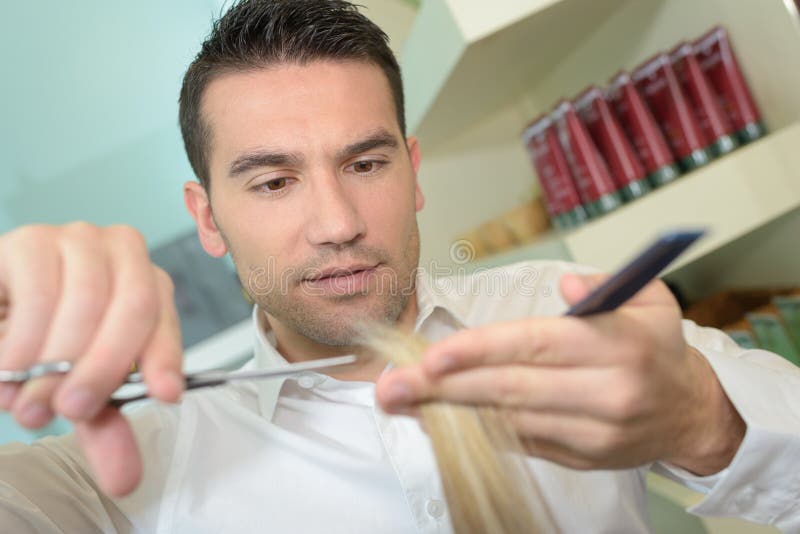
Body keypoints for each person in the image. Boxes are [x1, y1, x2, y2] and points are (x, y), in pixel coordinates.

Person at [1, 1, 798, 532]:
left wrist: (700, 419)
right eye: (274, 182)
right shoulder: (133, 470)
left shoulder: (559, 312)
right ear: (207, 218)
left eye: (366, 164)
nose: (338, 224)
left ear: (413, 172)